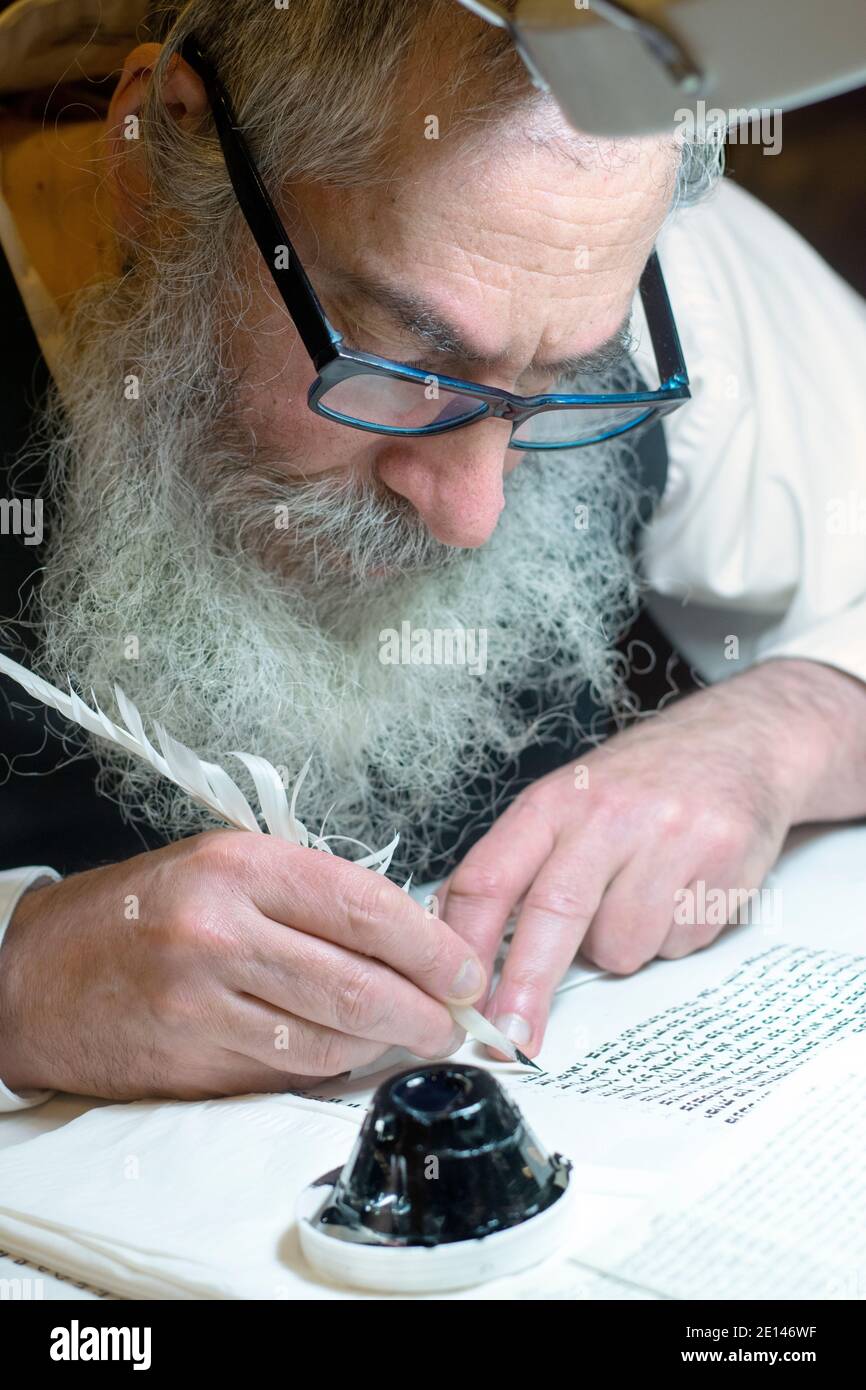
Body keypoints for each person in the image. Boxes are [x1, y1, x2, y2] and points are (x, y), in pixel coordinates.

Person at [0, 0, 864, 1109]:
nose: (471, 511)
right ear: (160, 157)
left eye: (555, 385)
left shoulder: (624, 253)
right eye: (405, 357)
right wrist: (22, 984)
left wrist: (776, 728)